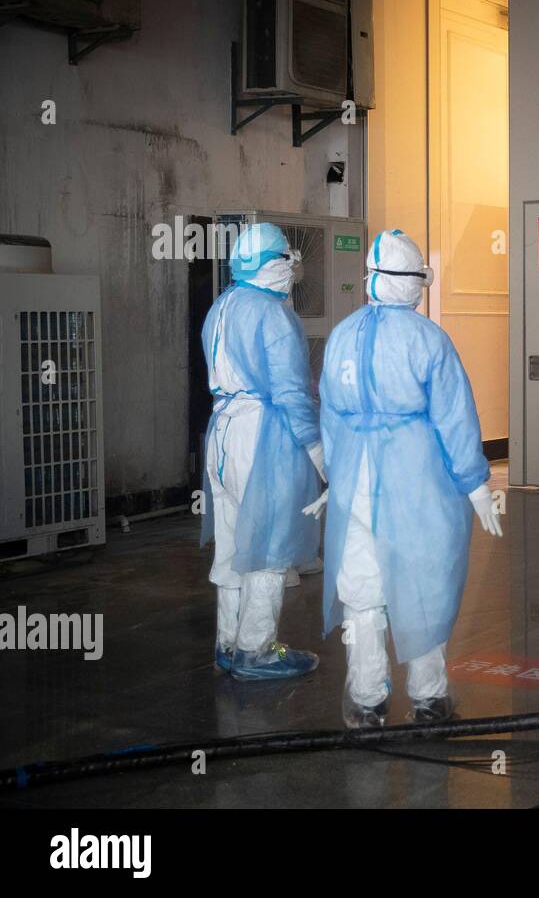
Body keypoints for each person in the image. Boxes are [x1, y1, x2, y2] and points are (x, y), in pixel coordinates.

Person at [317, 230, 501, 728]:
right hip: (415, 479)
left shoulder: (342, 336)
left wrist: (335, 478)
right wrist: (476, 484)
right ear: (415, 281)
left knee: (361, 590)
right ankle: (428, 697)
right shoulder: (429, 340)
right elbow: (455, 418)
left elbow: (330, 418)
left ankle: (367, 700)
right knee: (423, 581)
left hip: (354, 478)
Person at [201, 223, 325, 679]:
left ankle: (229, 643)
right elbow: (292, 394)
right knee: (269, 547)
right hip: (260, 438)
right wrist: (318, 452)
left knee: (233, 544)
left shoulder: (222, 307)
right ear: (272, 265)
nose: (293, 268)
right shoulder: (273, 315)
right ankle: (256, 651)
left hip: (221, 435)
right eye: (286, 259)